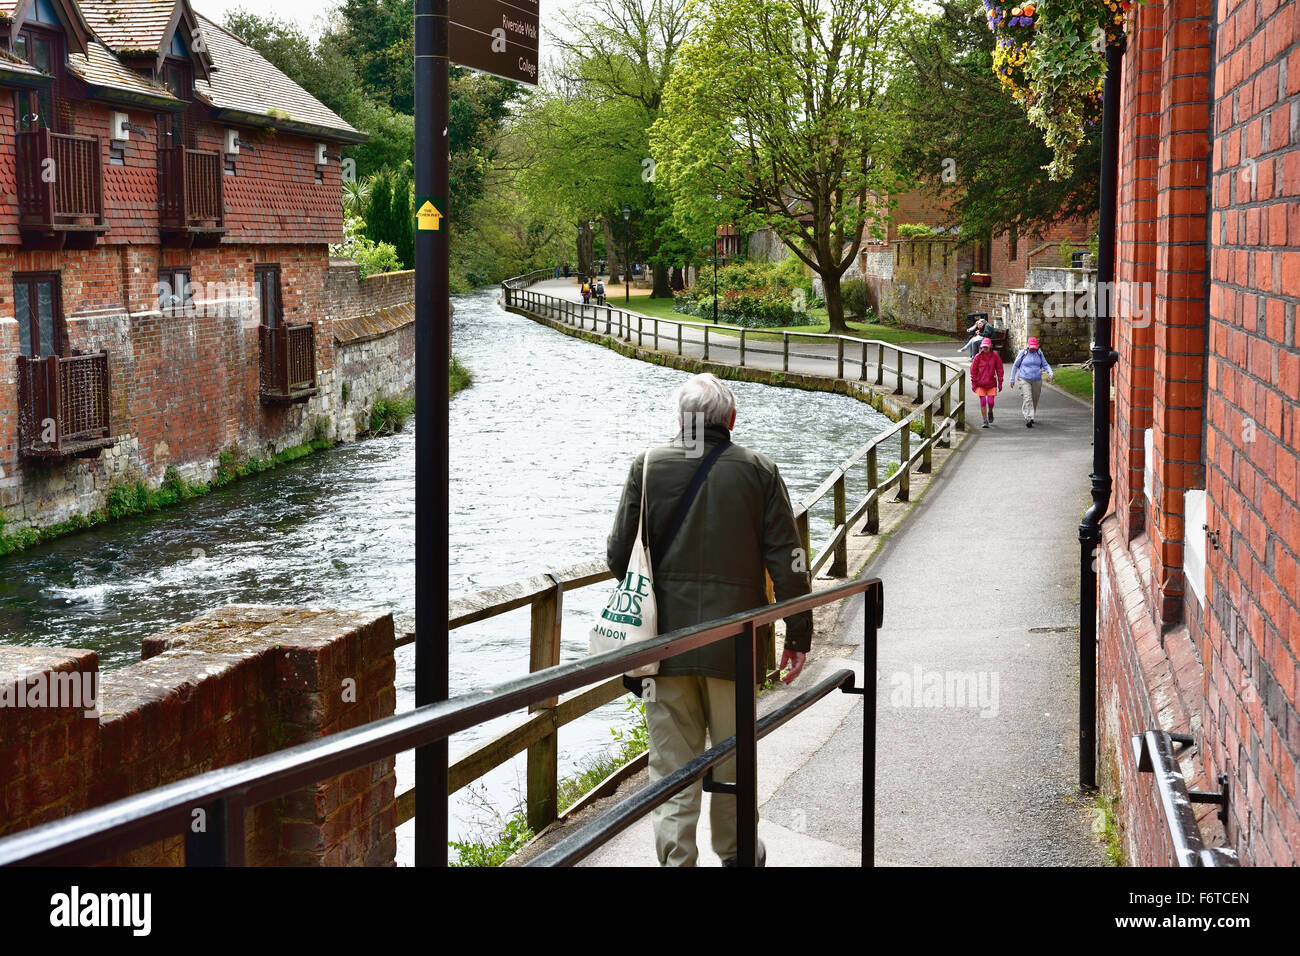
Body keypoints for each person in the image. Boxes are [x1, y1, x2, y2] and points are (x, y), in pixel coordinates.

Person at [606, 373, 812, 867]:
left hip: (663, 648)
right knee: (734, 758)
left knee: (671, 767)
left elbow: (618, 557)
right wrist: (797, 635)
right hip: (736, 648)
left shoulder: (647, 466)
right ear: (731, 420)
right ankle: (738, 853)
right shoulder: (759, 471)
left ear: (681, 420)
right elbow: (789, 560)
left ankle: (677, 861)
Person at [1009, 335, 1055, 428]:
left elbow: (1045, 364)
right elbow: (1015, 366)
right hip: (1024, 378)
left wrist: (1050, 372)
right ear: (1028, 345)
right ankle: (1029, 417)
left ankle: (1030, 413)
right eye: (1031, 347)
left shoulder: (1039, 353)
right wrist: (1012, 379)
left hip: (1037, 379)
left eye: (1034, 347)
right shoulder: (1023, 353)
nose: (1032, 349)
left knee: (1035, 399)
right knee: (1027, 397)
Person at [969, 337, 1004, 428]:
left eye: (986, 347)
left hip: (991, 383)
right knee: (983, 401)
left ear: (990, 347)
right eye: (983, 347)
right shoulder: (978, 357)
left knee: (991, 402)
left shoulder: (995, 356)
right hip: (980, 383)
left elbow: (999, 369)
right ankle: (985, 420)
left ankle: (990, 412)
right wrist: (973, 382)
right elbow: (973, 370)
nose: (984, 349)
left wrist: (1000, 382)